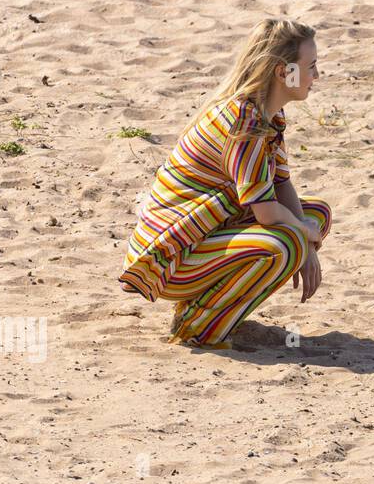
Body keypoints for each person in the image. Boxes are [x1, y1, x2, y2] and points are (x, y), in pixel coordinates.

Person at [118, 18, 331, 349]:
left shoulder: (268, 115)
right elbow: (266, 213)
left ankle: (205, 308)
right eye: (311, 66)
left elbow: (282, 185)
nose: (317, 76)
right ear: (282, 72)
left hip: (203, 233)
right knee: (285, 244)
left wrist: (307, 236)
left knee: (316, 213)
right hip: (167, 255)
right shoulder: (244, 123)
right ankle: (197, 326)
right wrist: (302, 238)